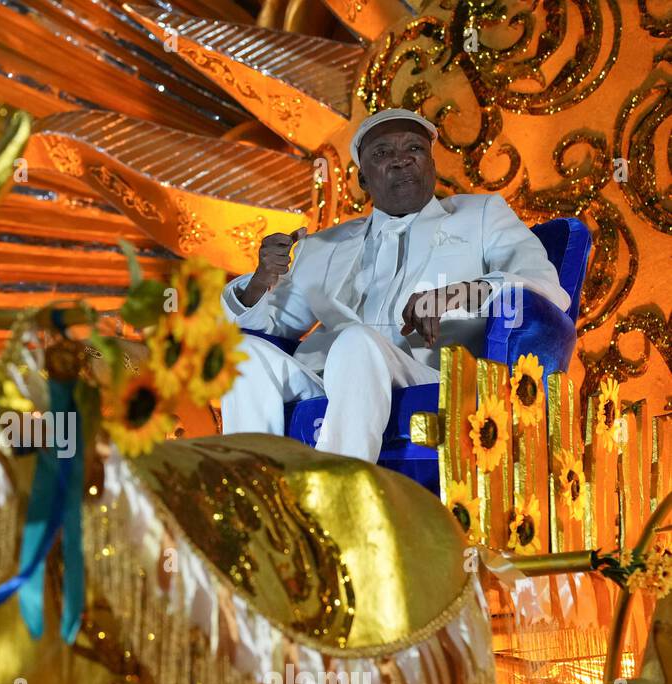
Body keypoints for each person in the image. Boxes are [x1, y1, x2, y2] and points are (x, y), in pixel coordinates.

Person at [219, 108, 571, 462]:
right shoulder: (322, 245)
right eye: (383, 153)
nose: (401, 161)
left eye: (415, 149)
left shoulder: (480, 215)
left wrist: (457, 294)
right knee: (245, 356)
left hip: (423, 373)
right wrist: (262, 280)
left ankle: (339, 493)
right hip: (324, 375)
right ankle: (252, 496)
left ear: (431, 164)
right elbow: (268, 326)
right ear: (363, 180)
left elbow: (544, 287)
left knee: (356, 341)